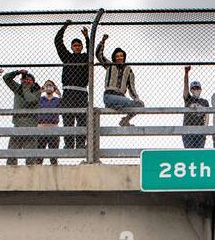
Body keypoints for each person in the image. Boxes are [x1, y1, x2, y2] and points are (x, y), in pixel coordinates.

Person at [54, 22, 90, 150]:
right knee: (68, 119)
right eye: (74, 45)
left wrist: (86, 37)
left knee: (82, 119)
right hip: (68, 92)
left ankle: (80, 144)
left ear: (81, 47)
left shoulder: (86, 58)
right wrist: (64, 27)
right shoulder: (67, 57)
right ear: (71, 47)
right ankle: (69, 144)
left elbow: (91, 51)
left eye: (79, 45)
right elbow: (57, 42)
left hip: (81, 92)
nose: (77, 47)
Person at [95, 37, 143, 126]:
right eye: (117, 56)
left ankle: (125, 120)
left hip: (121, 98)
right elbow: (98, 55)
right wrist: (103, 42)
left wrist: (137, 98)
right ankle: (113, 104)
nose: (119, 58)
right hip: (110, 96)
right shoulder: (110, 65)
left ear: (124, 57)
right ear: (114, 58)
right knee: (129, 103)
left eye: (121, 56)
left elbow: (131, 87)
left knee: (140, 105)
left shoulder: (128, 70)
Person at [2, 69, 42, 165]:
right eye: (24, 80)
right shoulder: (18, 88)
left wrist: (25, 87)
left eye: (29, 80)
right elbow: (6, 78)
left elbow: (30, 100)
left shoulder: (37, 91)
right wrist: (17, 72)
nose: (26, 82)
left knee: (30, 159)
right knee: (12, 156)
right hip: (18, 124)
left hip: (31, 126)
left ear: (33, 82)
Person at [181, 68, 209, 148]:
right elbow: (185, 84)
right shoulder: (188, 99)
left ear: (200, 90)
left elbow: (207, 116)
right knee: (189, 152)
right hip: (188, 131)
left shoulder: (204, 102)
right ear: (191, 90)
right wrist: (186, 73)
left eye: (197, 88)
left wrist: (205, 129)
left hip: (200, 131)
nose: (196, 90)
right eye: (194, 88)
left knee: (199, 153)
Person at [37, 79, 63, 163]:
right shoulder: (40, 99)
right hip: (42, 127)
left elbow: (64, 105)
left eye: (50, 85)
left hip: (53, 126)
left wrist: (58, 93)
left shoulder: (57, 100)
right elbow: (34, 101)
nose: (48, 87)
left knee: (53, 156)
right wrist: (41, 91)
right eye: (46, 85)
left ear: (53, 87)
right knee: (39, 155)